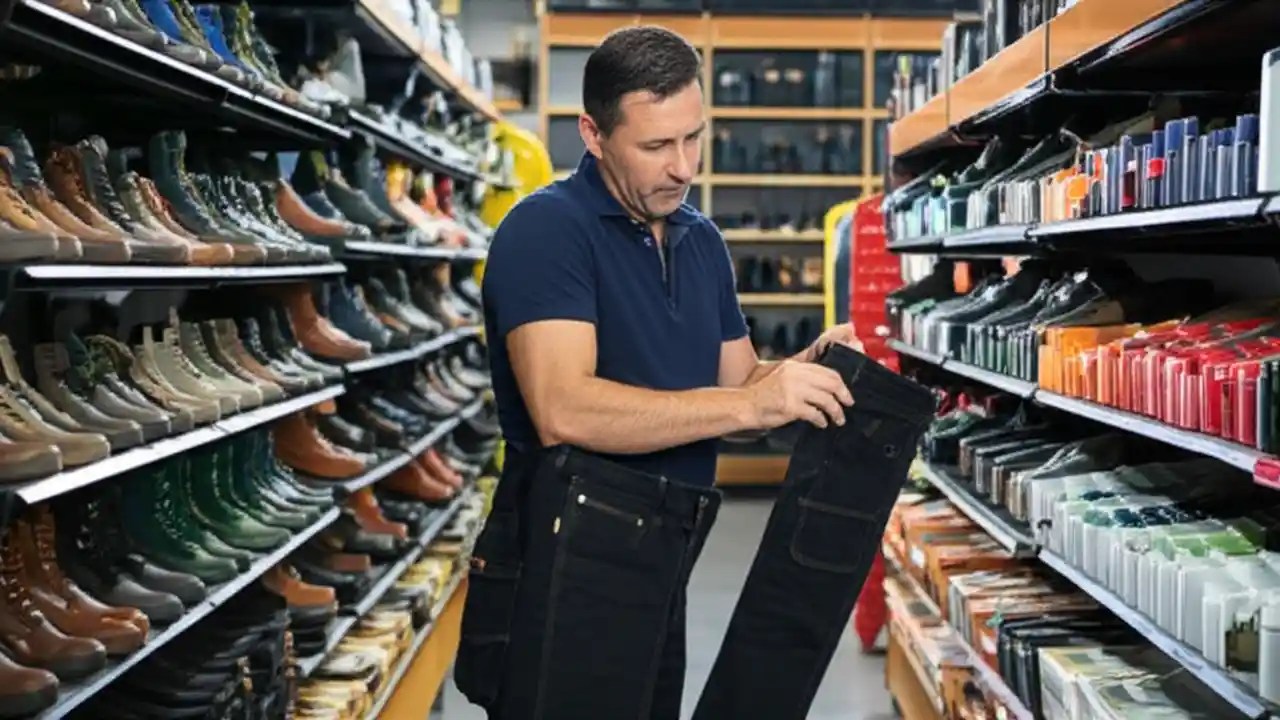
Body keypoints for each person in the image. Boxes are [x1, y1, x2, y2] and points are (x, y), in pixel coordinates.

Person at [468, 24, 861, 718]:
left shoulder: (699, 239)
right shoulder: (547, 231)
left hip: (662, 558)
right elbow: (565, 410)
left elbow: (740, 389)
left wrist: (800, 376)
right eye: (656, 146)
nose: (684, 167)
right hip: (564, 568)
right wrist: (747, 407)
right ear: (593, 134)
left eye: (693, 137)